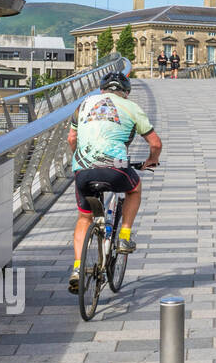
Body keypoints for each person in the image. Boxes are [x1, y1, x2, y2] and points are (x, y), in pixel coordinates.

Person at [66, 72, 162, 294]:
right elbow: (155, 143)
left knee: (84, 218)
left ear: (101, 90)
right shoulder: (131, 107)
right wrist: (151, 161)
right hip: (115, 168)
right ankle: (125, 237)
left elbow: (72, 138)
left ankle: (78, 269)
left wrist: (78, 158)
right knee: (134, 188)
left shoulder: (83, 104)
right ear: (126, 92)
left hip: (83, 170)